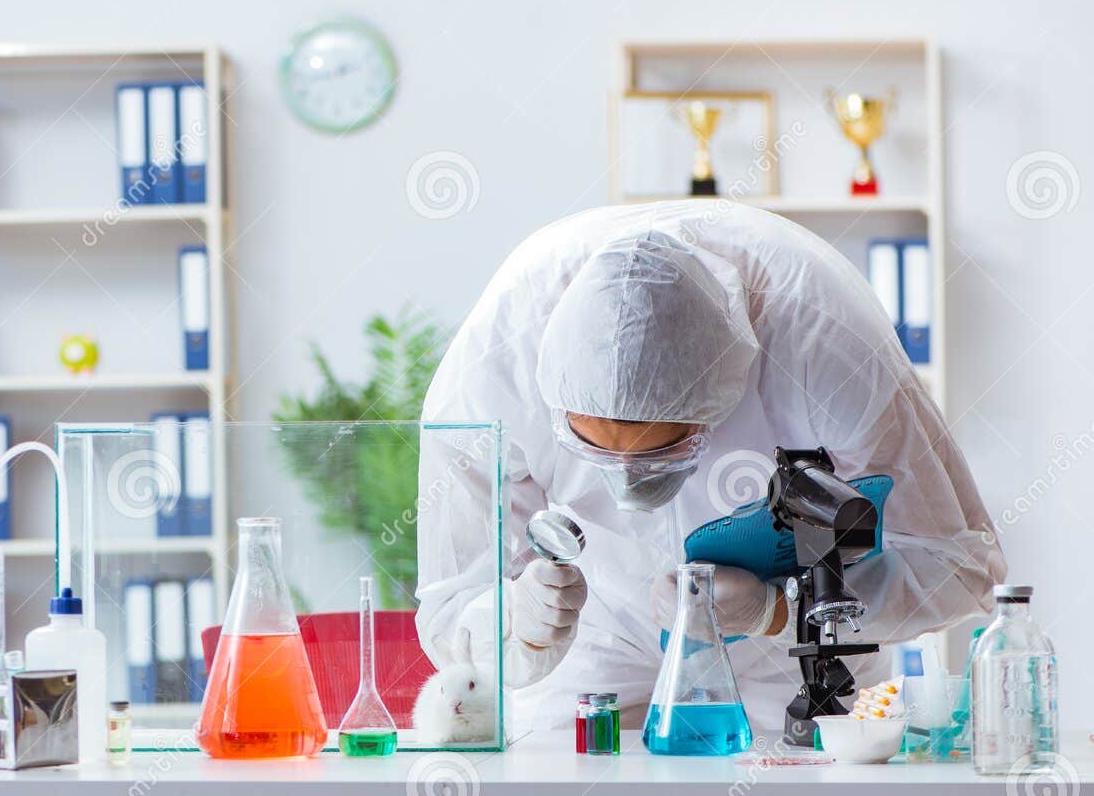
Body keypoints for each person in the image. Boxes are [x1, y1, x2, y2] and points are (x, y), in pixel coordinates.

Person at [415, 202, 1004, 732]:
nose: (628, 488)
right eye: (594, 448)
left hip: (794, 656)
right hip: (593, 632)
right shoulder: (494, 363)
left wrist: (780, 610)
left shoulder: (825, 338)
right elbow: (451, 608)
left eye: (664, 450)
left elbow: (960, 563)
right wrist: (516, 624)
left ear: (724, 396)